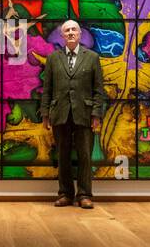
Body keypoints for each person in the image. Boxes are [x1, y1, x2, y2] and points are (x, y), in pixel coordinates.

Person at [40, 19, 105, 209]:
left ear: (80, 34)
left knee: (85, 155)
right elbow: (47, 89)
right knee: (63, 156)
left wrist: (96, 114)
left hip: (84, 114)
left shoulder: (92, 57)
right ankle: (65, 194)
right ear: (62, 35)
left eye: (74, 30)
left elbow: (98, 90)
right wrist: (45, 113)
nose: (70, 33)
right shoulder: (53, 58)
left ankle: (84, 195)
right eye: (66, 30)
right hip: (60, 113)